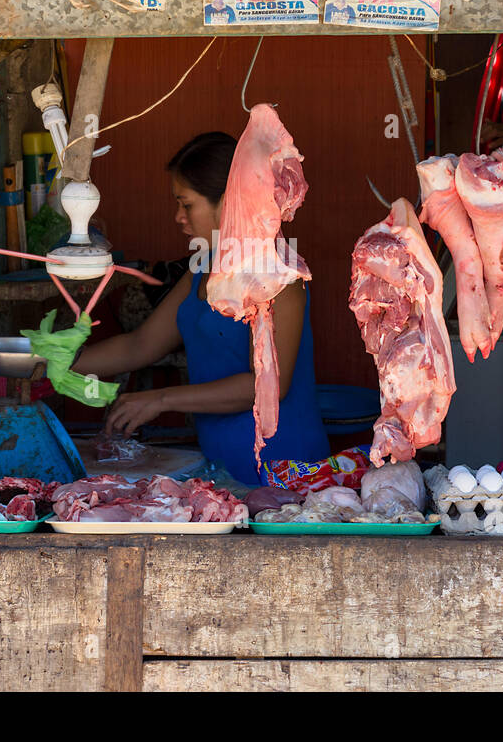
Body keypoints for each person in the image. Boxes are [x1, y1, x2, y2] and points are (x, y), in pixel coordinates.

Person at [72, 132, 331, 485]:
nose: (178, 216)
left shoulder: (278, 275)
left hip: (284, 472)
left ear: (227, 203)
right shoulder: (202, 268)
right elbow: (140, 345)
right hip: (221, 470)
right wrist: (52, 364)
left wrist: (161, 399)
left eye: (186, 204)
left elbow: (267, 387)